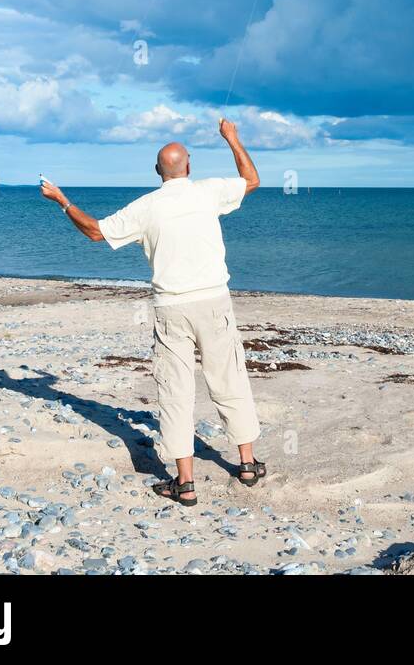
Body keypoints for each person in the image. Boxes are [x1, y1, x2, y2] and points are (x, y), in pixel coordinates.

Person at [39, 118, 264, 507]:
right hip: (213, 303)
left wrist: (63, 202)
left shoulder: (147, 207)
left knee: (176, 393)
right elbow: (251, 179)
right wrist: (233, 138)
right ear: (188, 168)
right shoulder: (208, 192)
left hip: (171, 308)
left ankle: (186, 482)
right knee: (230, 380)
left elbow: (95, 232)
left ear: (158, 171)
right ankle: (246, 464)